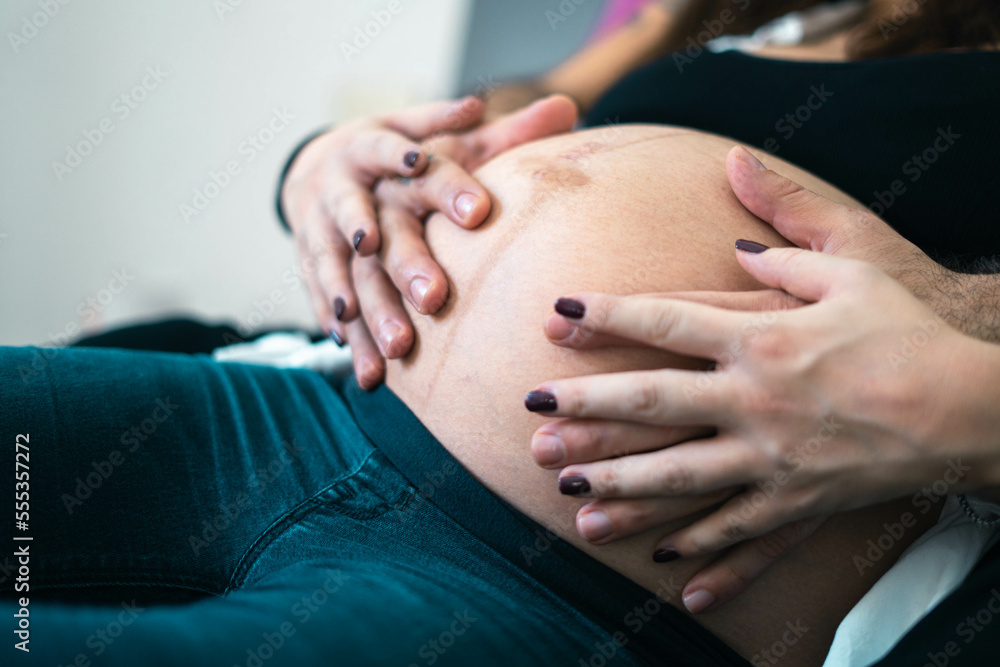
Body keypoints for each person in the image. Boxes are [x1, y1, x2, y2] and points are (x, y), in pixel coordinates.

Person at [7, 120, 990, 667]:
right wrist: (324, 167)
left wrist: (963, 331)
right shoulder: (722, 27)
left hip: (578, 603)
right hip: (316, 405)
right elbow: (479, 126)